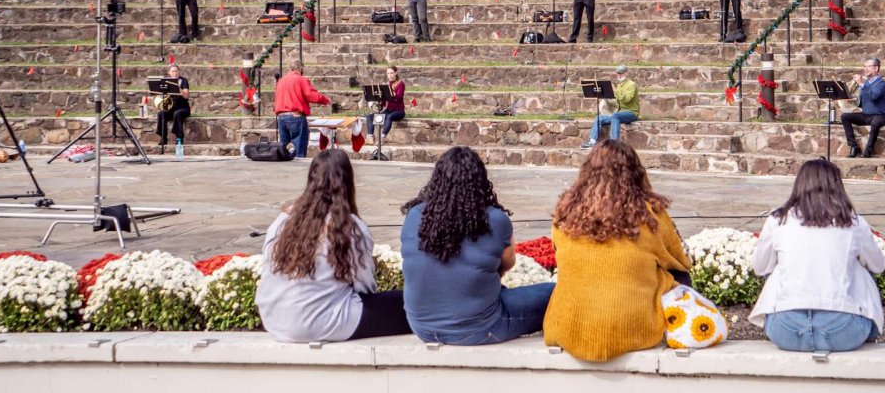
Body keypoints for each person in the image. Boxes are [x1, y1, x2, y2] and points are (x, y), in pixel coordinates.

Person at [544, 140, 694, 361]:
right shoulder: (650, 214)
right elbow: (680, 262)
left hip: (567, 330)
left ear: (587, 171)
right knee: (678, 277)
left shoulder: (564, 213)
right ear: (636, 173)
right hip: (634, 330)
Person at [401, 146, 554, 345]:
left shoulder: (415, 215)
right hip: (478, 328)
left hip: (421, 326)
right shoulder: (494, 219)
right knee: (556, 294)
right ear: (480, 182)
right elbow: (508, 263)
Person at [257, 149, 412, 342]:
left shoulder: (282, 221)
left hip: (275, 319)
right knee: (409, 303)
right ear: (348, 182)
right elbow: (364, 285)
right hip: (321, 321)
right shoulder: (349, 226)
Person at [749, 158, 885, 352]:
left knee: (778, 264)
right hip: (843, 330)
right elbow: (877, 266)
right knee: (859, 265)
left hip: (785, 330)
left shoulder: (778, 220)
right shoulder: (853, 223)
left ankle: (787, 303)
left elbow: (760, 267)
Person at [274, 61, 332, 158]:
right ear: (300, 69)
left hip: (281, 117)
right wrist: (326, 100)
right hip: (295, 116)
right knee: (299, 149)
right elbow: (311, 95)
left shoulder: (280, 81)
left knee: (284, 150)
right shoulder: (300, 80)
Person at [840, 57, 885, 159]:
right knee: (845, 116)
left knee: (875, 122)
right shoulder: (866, 84)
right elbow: (862, 104)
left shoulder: (882, 84)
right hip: (866, 115)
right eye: (864, 66)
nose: (865, 69)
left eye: (868, 67)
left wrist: (861, 84)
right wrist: (854, 100)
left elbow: (874, 96)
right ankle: (853, 146)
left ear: (876, 68)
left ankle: (868, 152)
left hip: (880, 116)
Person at [582, 65, 639, 148]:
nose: (619, 75)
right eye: (618, 73)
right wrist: (606, 97)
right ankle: (592, 141)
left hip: (631, 112)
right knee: (599, 117)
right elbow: (616, 102)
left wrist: (615, 90)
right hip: (619, 112)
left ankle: (614, 143)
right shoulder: (619, 85)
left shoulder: (632, 85)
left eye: (621, 73)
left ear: (626, 73)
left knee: (615, 116)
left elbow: (627, 100)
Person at [155, 63, 191, 155]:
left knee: (177, 114)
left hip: (183, 108)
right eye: (173, 71)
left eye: (176, 71)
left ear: (178, 72)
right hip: (171, 108)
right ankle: (163, 138)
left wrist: (177, 87)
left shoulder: (183, 81)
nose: (174, 73)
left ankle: (179, 138)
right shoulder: (167, 82)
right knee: (161, 114)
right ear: (169, 73)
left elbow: (186, 95)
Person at [366, 66, 405, 143]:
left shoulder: (401, 84)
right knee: (370, 117)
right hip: (388, 110)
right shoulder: (386, 85)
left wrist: (391, 94)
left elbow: (399, 97)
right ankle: (370, 137)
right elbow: (384, 102)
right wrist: (379, 100)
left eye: (391, 73)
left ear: (396, 73)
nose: (390, 75)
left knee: (389, 116)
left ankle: (382, 138)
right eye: (388, 73)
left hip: (399, 111)